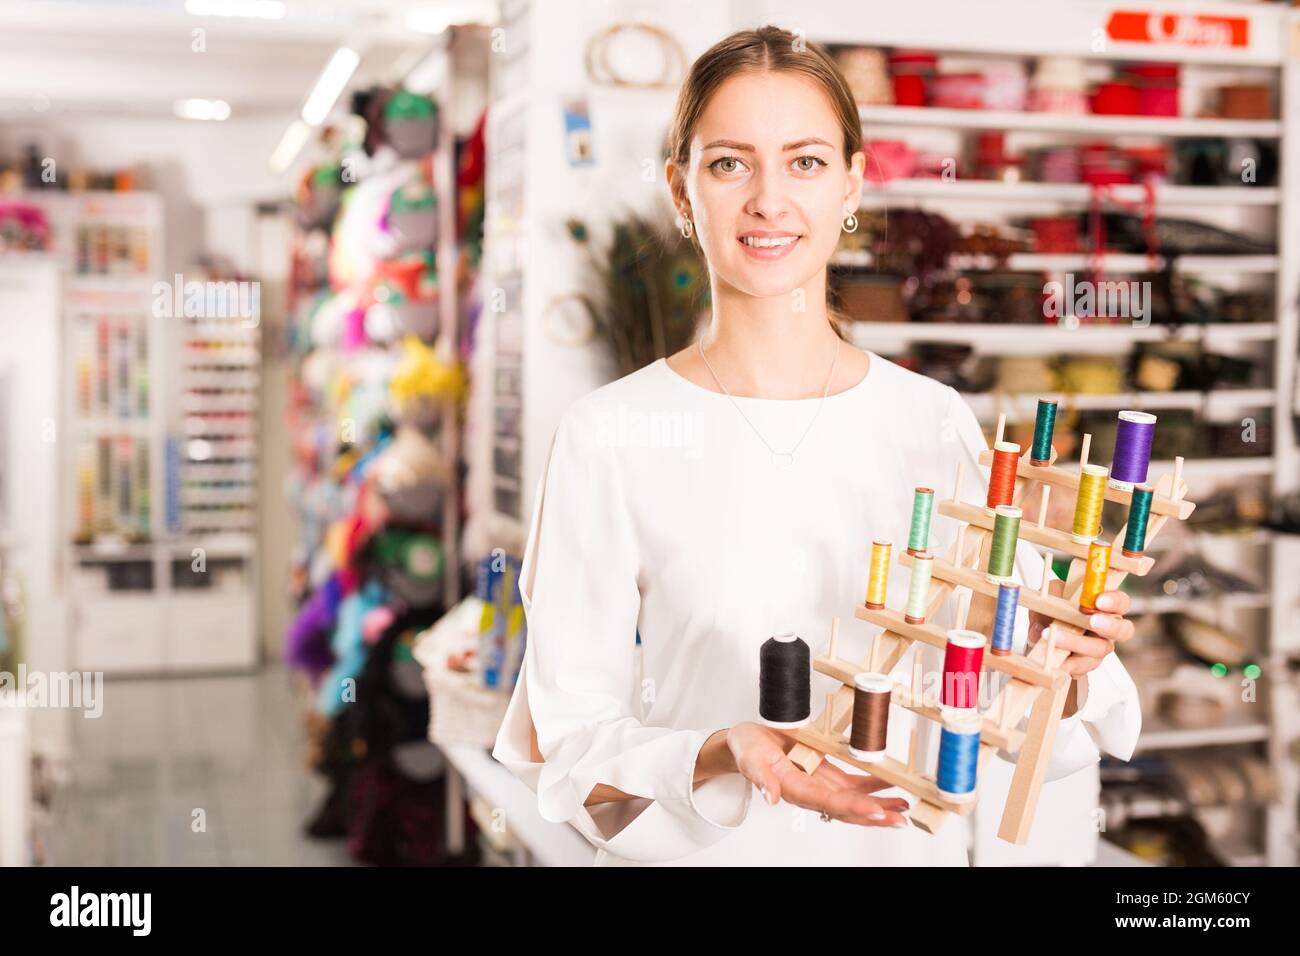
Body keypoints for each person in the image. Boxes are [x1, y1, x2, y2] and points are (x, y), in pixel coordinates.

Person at [492, 25, 1140, 866]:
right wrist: (724, 750)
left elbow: (1024, 723)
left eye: (804, 161)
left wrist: (1070, 663)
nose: (769, 200)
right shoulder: (609, 435)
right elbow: (570, 748)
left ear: (852, 185)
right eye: (729, 163)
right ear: (682, 191)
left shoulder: (933, 421)